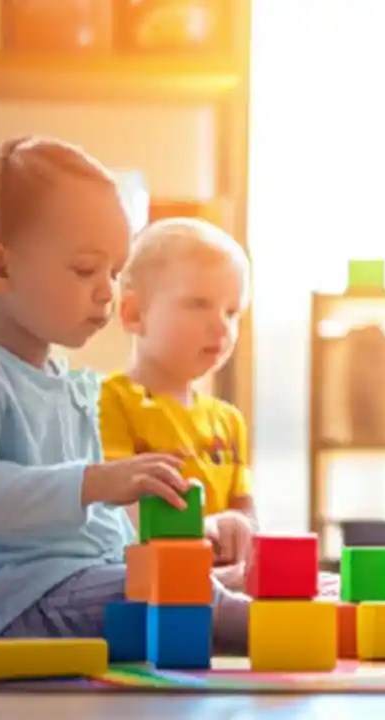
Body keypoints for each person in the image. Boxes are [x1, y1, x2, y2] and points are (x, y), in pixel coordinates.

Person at [0, 136, 248, 649]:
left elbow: (92, 525)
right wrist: (93, 483)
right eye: (86, 270)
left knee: (198, 581)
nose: (108, 291)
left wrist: (160, 549)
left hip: (71, 585)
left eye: (113, 272)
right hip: (13, 605)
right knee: (187, 594)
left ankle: (260, 607)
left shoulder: (60, 380)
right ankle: (285, 628)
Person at [98, 217, 259, 592]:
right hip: (143, 587)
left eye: (232, 312)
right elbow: (116, 513)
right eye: (198, 304)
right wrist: (202, 528)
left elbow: (246, 513)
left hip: (218, 585)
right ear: (134, 313)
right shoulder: (110, 403)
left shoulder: (228, 421)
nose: (221, 327)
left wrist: (241, 528)